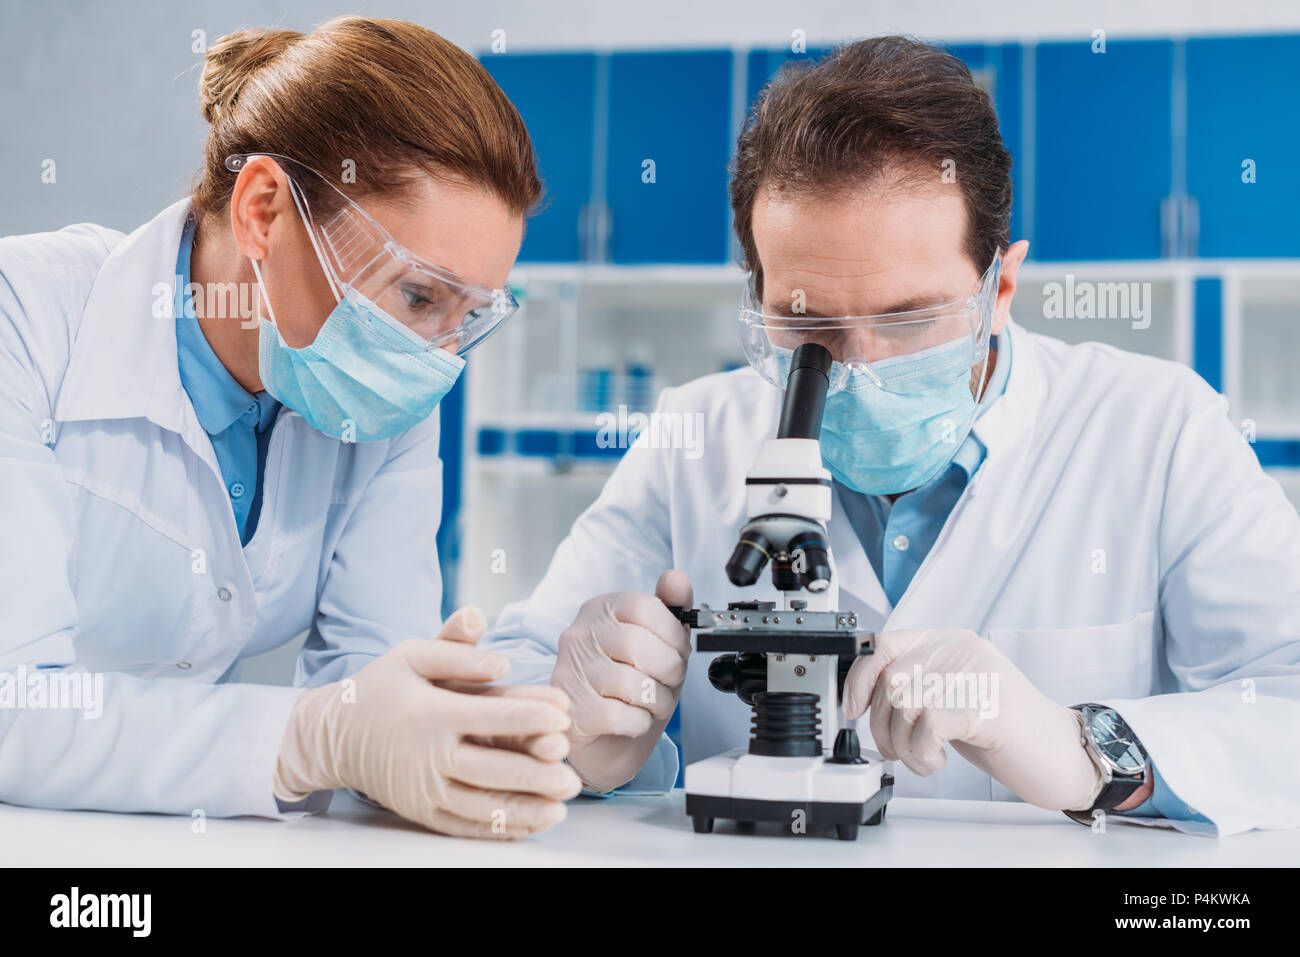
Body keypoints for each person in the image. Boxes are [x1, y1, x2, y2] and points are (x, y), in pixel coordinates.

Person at [483, 37, 1300, 836]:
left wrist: (1083, 747)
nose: (859, 369)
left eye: (911, 318)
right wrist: (586, 740)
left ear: (1000, 289)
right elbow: (517, 672)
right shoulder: (692, 435)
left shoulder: (1157, 430)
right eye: (809, 324)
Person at [0, 17, 581, 839]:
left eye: (469, 317)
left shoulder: (378, 392)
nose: (436, 357)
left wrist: (535, 727)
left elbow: (371, 689)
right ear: (263, 209)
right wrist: (307, 735)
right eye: (419, 296)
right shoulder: (21, 317)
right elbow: (14, 704)